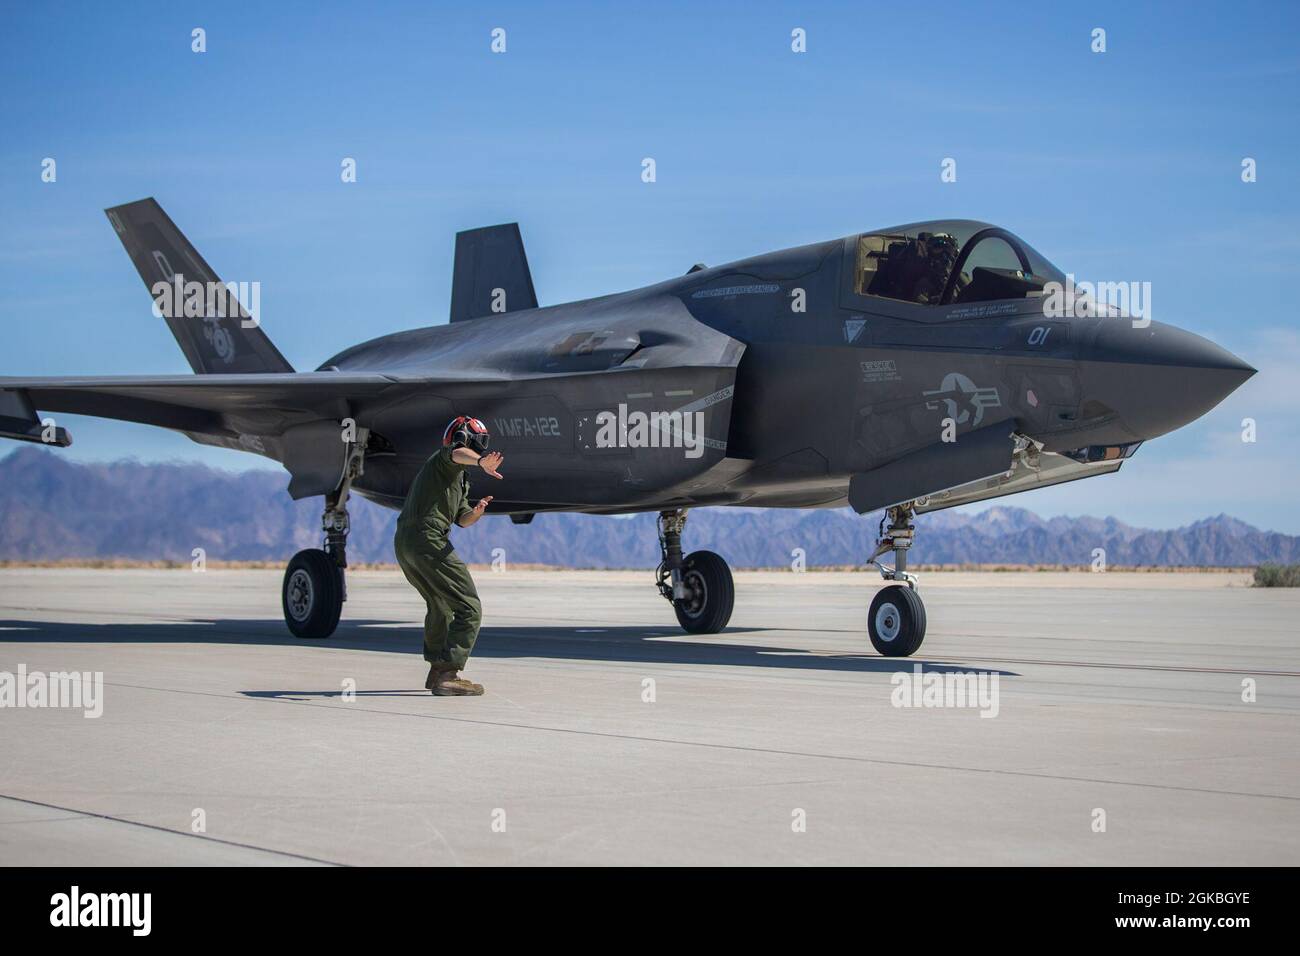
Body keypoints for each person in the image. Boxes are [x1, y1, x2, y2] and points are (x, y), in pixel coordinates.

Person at [394, 416, 503, 696]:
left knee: (440, 604)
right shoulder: (445, 460)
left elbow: (462, 521)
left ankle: (436, 671)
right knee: (469, 607)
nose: (481, 449)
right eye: (478, 443)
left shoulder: (459, 478)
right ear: (464, 439)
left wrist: (476, 512)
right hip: (427, 539)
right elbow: (455, 453)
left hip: (407, 541)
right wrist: (480, 462)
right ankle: (450, 673)